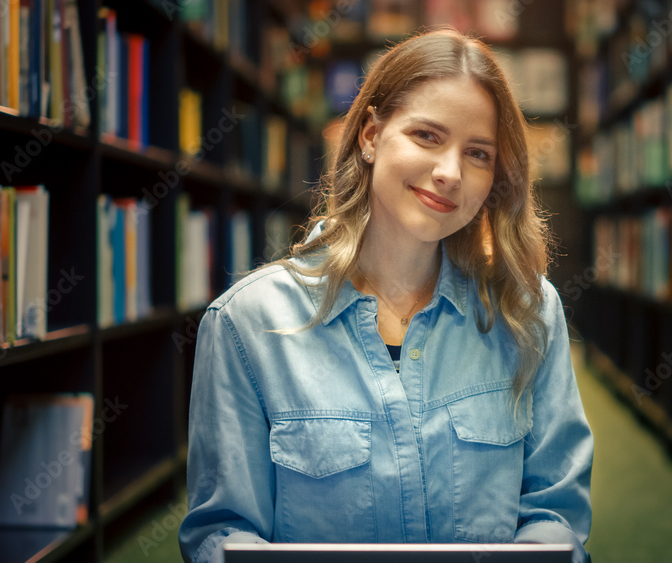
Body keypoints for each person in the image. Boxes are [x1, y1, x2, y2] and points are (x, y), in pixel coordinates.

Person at [178, 28, 593, 563]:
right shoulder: (246, 322)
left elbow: (555, 515)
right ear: (371, 136)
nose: (449, 173)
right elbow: (222, 534)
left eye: (478, 154)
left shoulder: (529, 312)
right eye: (426, 136)